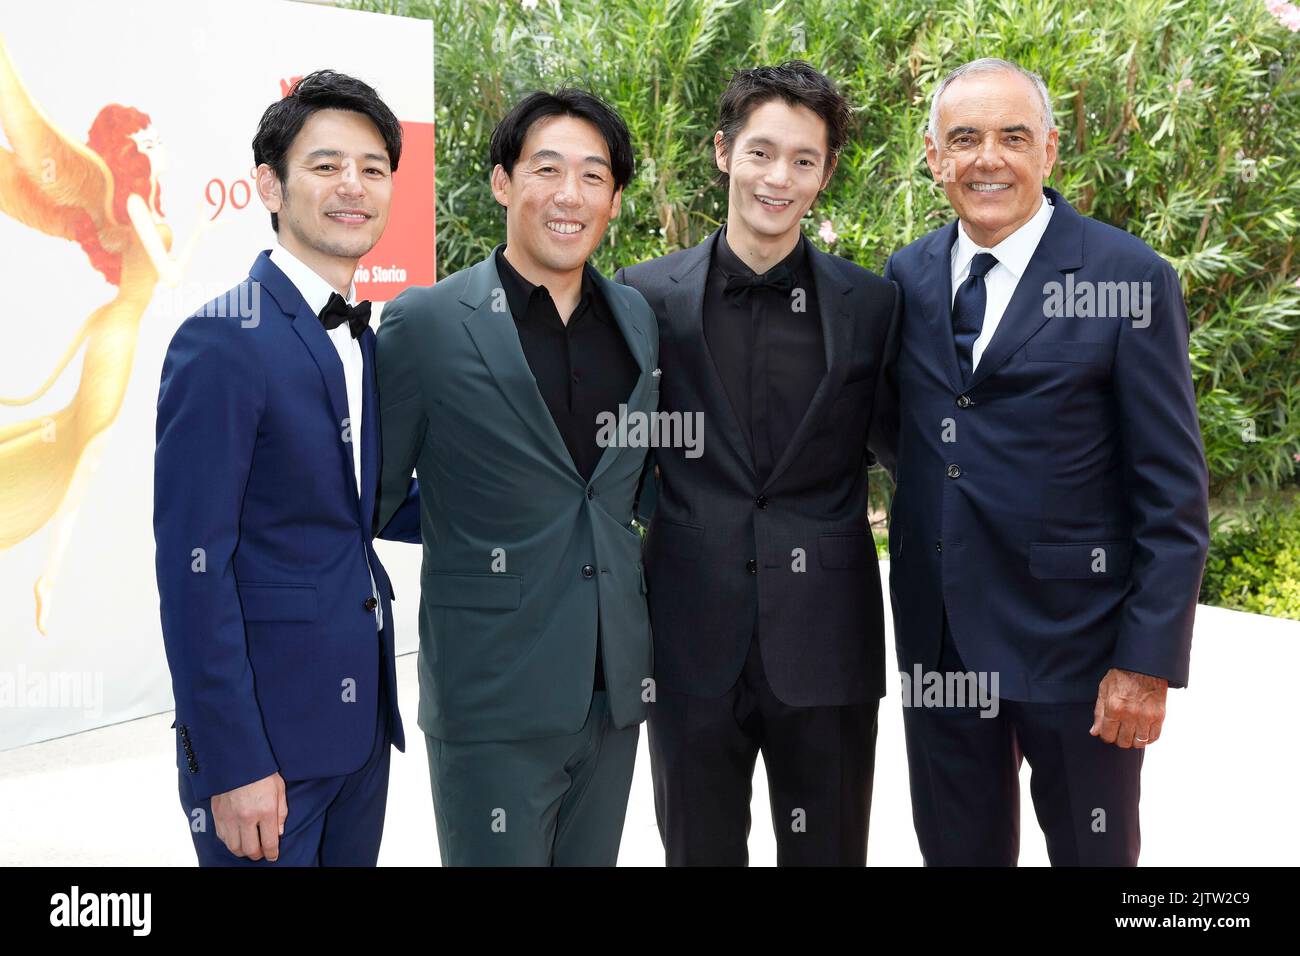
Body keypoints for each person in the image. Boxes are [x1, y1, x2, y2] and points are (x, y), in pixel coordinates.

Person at [876, 57, 1210, 866]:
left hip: (1081, 650)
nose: (987, 158)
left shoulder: (1127, 278)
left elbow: (1172, 491)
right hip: (943, 644)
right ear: (934, 156)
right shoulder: (906, 276)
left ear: (1050, 151)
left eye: (1012, 136)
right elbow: (904, 436)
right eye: (964, 139)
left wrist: (1146, 662)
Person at [617, 61, 900, 866]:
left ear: (826, 172)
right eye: (761, 153)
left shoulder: (872, 305)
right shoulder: (643, 296)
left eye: (803, 159)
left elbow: (913, 454)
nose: (780, 177)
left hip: (829, 646)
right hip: (687, 644)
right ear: (723, 152)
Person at [374, 88, 657, 866]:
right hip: (492, 691)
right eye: (547, 169)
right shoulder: (425, 323)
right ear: (503, 182)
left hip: (613, 685)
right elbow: (378, 494)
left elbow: (623, 488)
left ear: (615, 198)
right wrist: (484, 526)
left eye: (593, 176)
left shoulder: (637, 319)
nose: (570, 195)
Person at [153, 70, 419, 866]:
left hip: (360, 734)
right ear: (269, 184)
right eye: (326, 165)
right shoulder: (223, 340)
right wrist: (232, 763)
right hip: (263, 755)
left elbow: (358, 507)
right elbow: (192, 569)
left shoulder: (367, 340)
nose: (354, 186)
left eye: (373, 168)